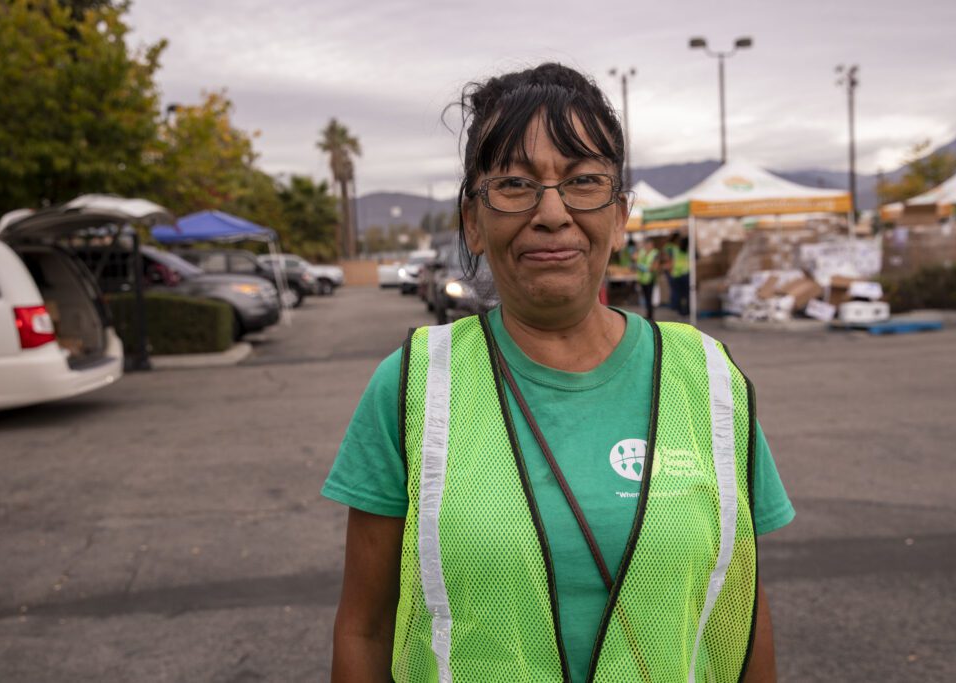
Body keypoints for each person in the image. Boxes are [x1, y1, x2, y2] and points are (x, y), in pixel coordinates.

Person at [323, 62, 794, 683]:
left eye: (584, 181)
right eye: (515, 184)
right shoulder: (411, 385)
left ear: (621, 216)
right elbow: (365, 627)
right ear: (473, 219)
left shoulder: (709, 380)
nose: (552, 213)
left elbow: (741, 611)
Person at [633, 237, 660, 321]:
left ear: (651, 245)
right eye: (645, 245)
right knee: (646, 298)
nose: (646, 246)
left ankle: (650, 316)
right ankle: (648, 315)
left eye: (648, 245)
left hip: (650, 279)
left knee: (649, 298)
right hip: (642, 279)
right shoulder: (642, 252)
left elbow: (655, 267)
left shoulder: (655, 253)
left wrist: (644, 268)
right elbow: (634, 257)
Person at [663, 232, 690, 316]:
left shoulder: (674, 249)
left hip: (676, 274)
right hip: (684, 274)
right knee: (685, 294)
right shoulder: (687, 251)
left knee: (678, 293)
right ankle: (684, 310)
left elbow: (669, 260)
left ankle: (678, 309)